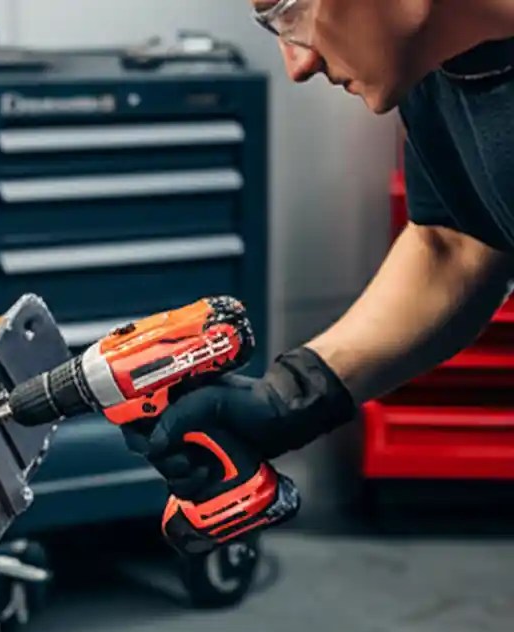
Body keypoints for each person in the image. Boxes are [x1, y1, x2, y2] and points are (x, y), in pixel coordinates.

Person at [123, 1, 514, 498]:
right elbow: (455, 242)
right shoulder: (434, 61)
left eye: (291, 12)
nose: (298, 65)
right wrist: (291, 397)